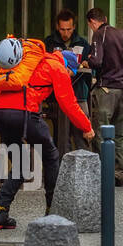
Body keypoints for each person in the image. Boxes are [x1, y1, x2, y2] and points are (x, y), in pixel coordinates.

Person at [0, 37, 94, 229]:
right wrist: (87, 127)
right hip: (24, 112)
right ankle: (53, 210)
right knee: (51, 155)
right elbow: (68, 103)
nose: (69, 77)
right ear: (68, 66)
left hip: (0, 112)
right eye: (71, 74)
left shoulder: (26, 64)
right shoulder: (57, 67)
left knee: (21, 163)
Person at [86, 7, 123, 186]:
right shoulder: (121, 34)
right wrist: (118, 61)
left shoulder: (98, 34)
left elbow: (96, 61)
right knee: (119, 134)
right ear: (105, 18)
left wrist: (88, 59)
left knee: (102, 132)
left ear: (92, 22)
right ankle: (118, 174)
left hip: (106, 88)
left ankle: (104, 173)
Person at [42, 9, 92, 152]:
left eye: (68, 29)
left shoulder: (83, 43)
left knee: (82, 136)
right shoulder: (50, 42)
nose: (65, 33)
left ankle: (84, 172)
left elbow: (90, 65)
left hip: (79, 94)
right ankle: (62, 172)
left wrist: (84, 65)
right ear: (58, 27)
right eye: (62, 29)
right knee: (62, 139)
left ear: (74, 27)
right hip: (58, 97)